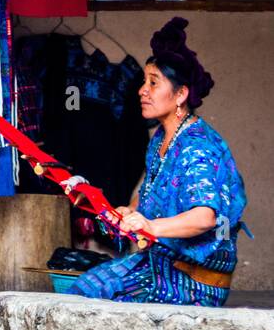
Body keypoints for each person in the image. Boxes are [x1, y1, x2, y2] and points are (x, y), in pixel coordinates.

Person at [70, 18, 246, 306]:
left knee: (96, 297)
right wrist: (130, 212)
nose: (142, 90)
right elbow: (150, 192)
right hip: (162, 260)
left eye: (153, 83)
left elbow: (205, 217)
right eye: (144, 81)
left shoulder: (197, 147)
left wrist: (151, 227)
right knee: (85, 287)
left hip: (193, 278)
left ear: (180, 95)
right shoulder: (159, 140)